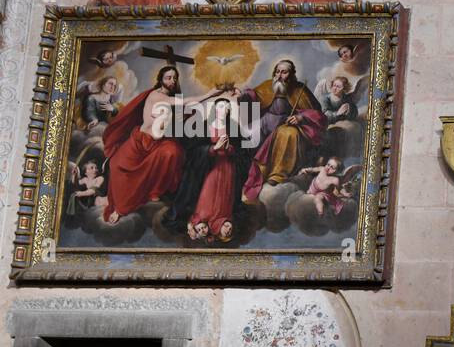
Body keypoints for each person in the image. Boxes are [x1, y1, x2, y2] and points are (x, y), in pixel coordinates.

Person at [100, 65, 223, 224]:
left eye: (174, 78)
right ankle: (119, 207)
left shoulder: (170, 99)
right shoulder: (156, 95)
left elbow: (181, 113)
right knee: (119, 165)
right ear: (161, 79)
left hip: (157, 144)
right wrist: (208, 94)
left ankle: (154, 190)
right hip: (140, 142)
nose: (172, 81)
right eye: (168, 78)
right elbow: (184, 102)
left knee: (173, 152)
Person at [237, 60, 327, 201]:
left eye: (284, 72)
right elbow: (254, 96)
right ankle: (247, 173)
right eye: (277, 71)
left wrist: (300, 117)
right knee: (246, 133)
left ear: (291, 75)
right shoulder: (268, 85)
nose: (279, 75)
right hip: (265, 122)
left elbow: (317, 113)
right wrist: (245, 96)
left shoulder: (299, 89)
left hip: (286, 125)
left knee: (287, 133)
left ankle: (277, 174)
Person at [187, 97, 240, 243]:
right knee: (208, 197)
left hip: (227, 167)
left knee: (224, 198)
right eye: (222, 106)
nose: (226, 109)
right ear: (215, 109)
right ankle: (201, 223)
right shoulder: (205, 126)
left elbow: (242, 151)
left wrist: (230, 148)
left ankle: (217, 226)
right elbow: (194, 150)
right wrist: (214, 148)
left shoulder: (233, 127)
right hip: (211, 167)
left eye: (228, 107)